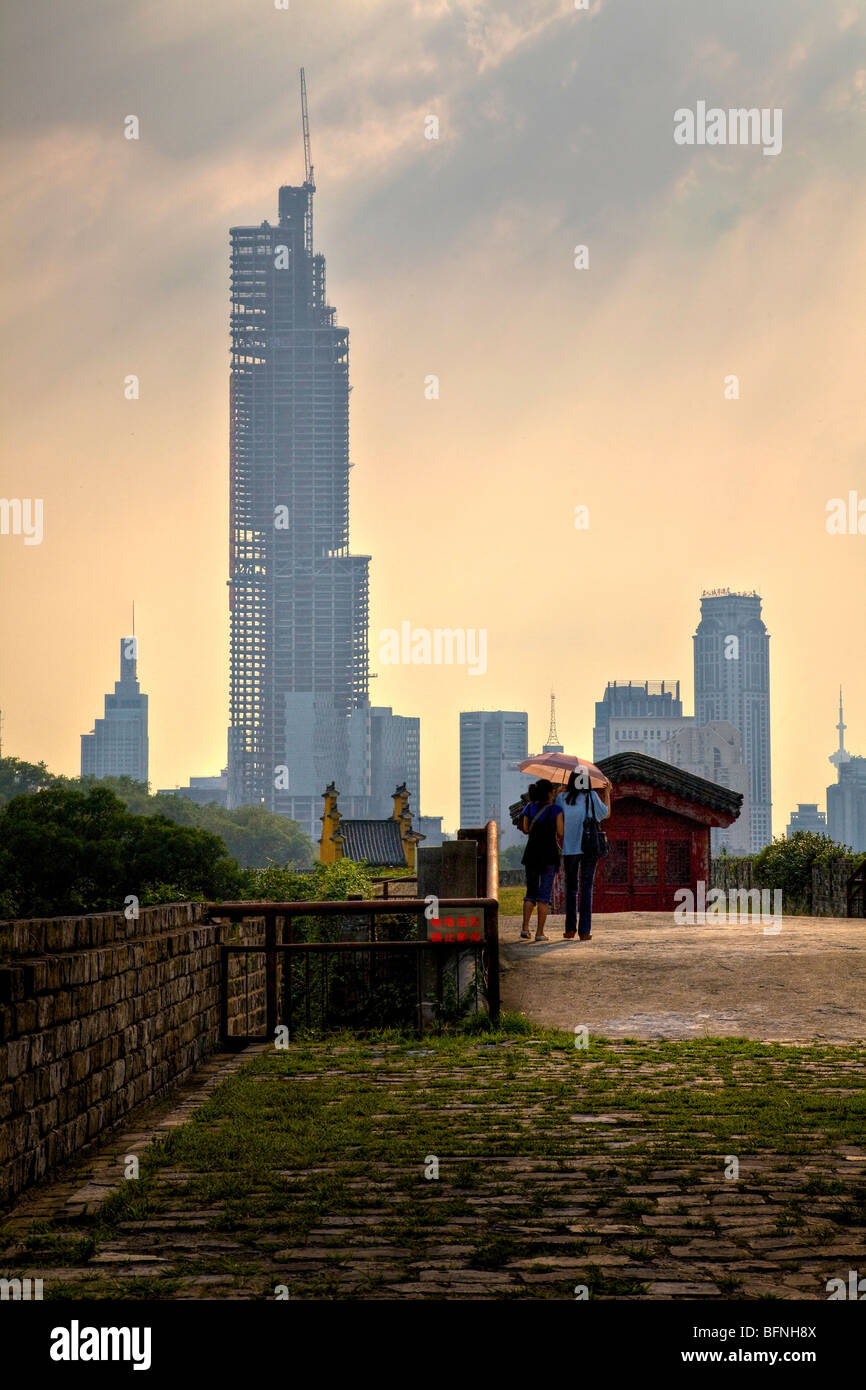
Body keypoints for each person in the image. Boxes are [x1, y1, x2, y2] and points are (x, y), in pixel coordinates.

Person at [557, 771, 611, 941]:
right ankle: (584, 931)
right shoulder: (591, 796)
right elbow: (606, 814)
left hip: (570, 849)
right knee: (587, 888)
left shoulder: (561, 798)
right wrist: (607, 793)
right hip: (589, 848)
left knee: (571, 889)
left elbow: (558, 822)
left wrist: (558, 793)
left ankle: (570, 929)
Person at [519, 779, 564, 942]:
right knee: (544, 895)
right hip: (549, 855)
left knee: (530, 893)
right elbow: (560, 832)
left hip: (531, 853)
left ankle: (525, 928)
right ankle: (539, 933)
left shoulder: (529, 807)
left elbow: (525, 829)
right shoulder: (556, 810)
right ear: (549, 793)